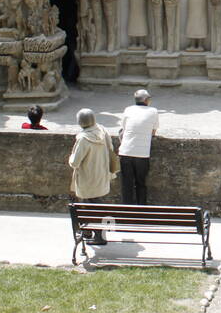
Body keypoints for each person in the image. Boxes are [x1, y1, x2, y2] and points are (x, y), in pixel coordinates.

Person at [68, 108, 119, 244]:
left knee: (88, 206)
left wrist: (70, 158)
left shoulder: (83, 139)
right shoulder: (102, 131)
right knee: (96, 205)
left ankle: (95, 234)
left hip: (87, 178)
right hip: (101, 175)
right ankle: (93, 233)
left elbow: (75, 162)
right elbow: (111, 149)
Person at [117, 89, 160, 205]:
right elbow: (153, 132)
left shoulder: (128, 110)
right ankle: (141, 210)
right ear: (146, 100)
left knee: (127, 184)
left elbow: (123, 128)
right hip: (142, 154)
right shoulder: (153, 111)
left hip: (125, 151)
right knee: (141, 183)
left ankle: (127, 211)